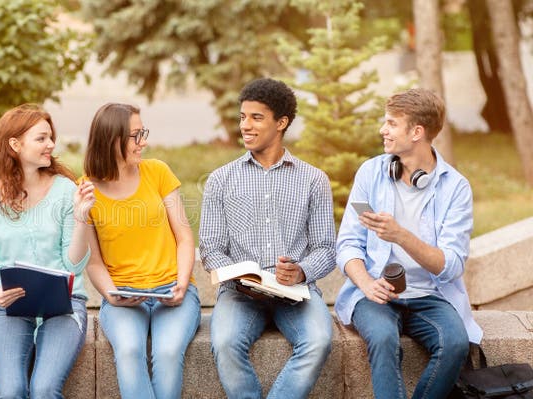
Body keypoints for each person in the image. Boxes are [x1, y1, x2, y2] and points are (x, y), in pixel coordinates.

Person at [335, 88, 481, 399]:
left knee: (455, 344)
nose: (382, 130)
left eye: (391, 123)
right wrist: (366, 283)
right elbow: (348, 244)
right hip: (374, 294)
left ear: (417, 132)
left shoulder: (455, 188)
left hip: (431, 294)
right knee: (384, 339)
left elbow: (452, 265)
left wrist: (401, 235)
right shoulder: (371, 173)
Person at [199, 78, 335, 399]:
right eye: (242, 117)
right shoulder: (221, 179)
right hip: (240, 293)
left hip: (296, 291)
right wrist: (241, 277)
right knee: (225, 343)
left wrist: (300, 271)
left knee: (318, 341)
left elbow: (326, 249)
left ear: (281, 123)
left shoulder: (313, 180)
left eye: (256, 118)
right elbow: (211, 248)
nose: (245, 125)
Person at [0, 104, 94, 399]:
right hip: (8, 306)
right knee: (11, 392)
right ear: (15, 144)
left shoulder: (65, 190)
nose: (51, 145)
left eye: (51, 137)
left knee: (44, 390)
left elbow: (73, 267)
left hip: (64, 305)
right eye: (41, 138)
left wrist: (81, 217)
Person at [81, 103, 201, 399]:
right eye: (136, 135)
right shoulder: (86, 189)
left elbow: (185, 237)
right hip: (122, 294)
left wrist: (182, 285)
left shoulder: (157, 172)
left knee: (169, 351)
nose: (143, 142)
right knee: (130, 350)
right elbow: (93, 262)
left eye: (142, 133)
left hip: (173, 289)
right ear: (112, 140)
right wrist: (112, 295)